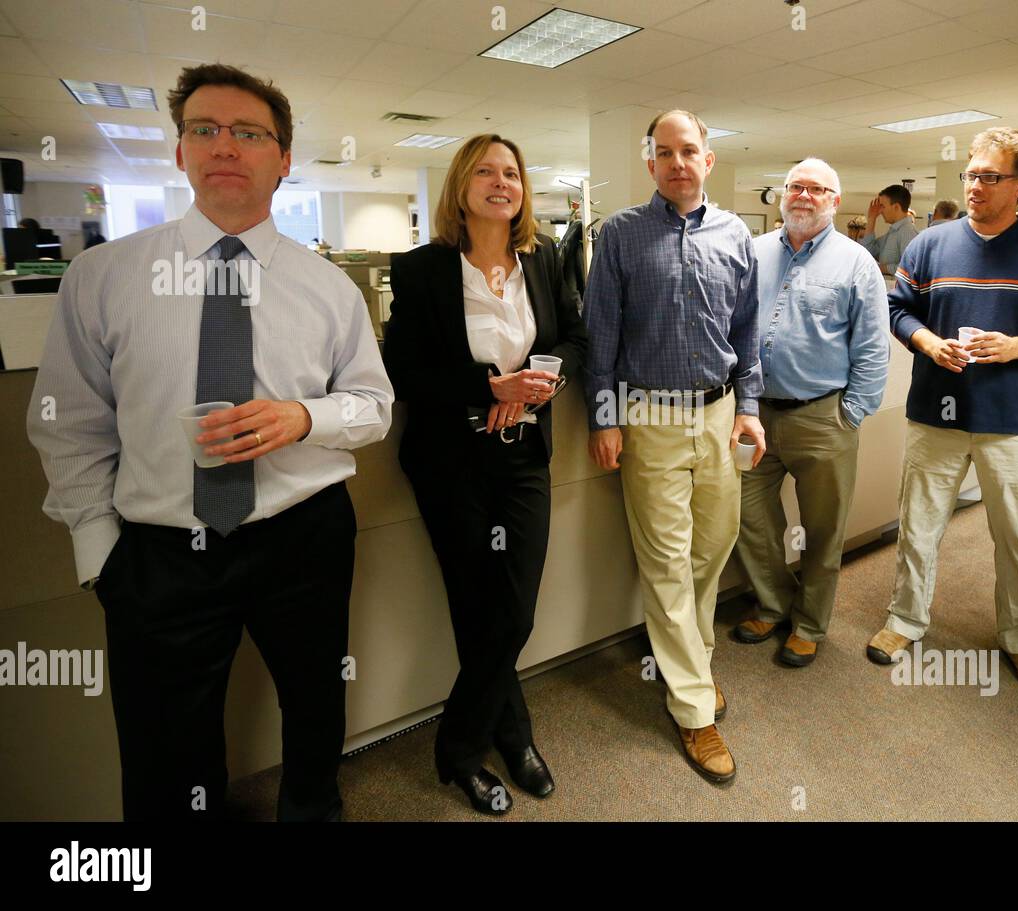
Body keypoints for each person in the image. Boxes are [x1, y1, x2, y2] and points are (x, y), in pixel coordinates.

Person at [26, 63, 394, 821]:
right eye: (204, 129)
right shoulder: (103, 277)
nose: (225, 145)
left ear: (284, 160)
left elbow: (373, 405)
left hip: (305, 537)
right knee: (165, 756)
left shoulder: (328, 287)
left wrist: (303, 418)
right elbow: (68, 424)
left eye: (249, 133)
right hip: (160, 554)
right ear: (180, 151)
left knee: (317, 715)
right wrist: (102, 554)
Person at [382, 134, 587, 815]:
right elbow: (403, 371)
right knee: (479, 609)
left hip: (524, 457)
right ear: (461, 186)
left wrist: (541, 381)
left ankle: (456, 742)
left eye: (512, 172)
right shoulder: (420, 271)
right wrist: (488, 386)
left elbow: (574, 336)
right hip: (452, 463)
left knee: (514, 608)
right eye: (486, 172)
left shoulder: (546, 257)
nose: (501, 182)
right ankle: (510, 736)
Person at [866, 127, 1018, 694]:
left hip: (1014, 421)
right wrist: (927, 342)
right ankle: (905, 620)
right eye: (971, 174)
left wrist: (1016, 346)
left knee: (1016, 536)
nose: (976, 186)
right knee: (919, 527)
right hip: (935, 415)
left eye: (990, 177)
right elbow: (899, 310)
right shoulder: (930, 244)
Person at [584, 109, 763, 784]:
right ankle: (692, 708)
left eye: (689, 150)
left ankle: (689, 663)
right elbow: (600, 336)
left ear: (708, 160)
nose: (678, 162)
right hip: (649, 418)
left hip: (719, 416)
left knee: (711, 549)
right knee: (665, 562)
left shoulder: (736, 234)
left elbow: (746, 335)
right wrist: (604, 418)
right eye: (665, 152)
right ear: (650, 162)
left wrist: (748, 407)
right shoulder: (622, 235)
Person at [732, 158, 890, 666]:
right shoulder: (753, 253)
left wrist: (851, 413)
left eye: (817, 189)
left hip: (822, 417)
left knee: (824, 529)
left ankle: (810, 624)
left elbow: (871, 347)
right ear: (782, 194)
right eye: (796, 186)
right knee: (748, 516)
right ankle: (775, 603)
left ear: (834, 201)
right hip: (753, 414)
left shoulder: (856, 262)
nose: (804, 195)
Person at [860, 184, 919, 275]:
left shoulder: (907, 232)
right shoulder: (893, 233)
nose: (880, 211)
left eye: (883, 206)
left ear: (896, 207)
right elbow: (868, 250)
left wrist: (881, 268)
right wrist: (872, 218)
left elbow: (910, 268)